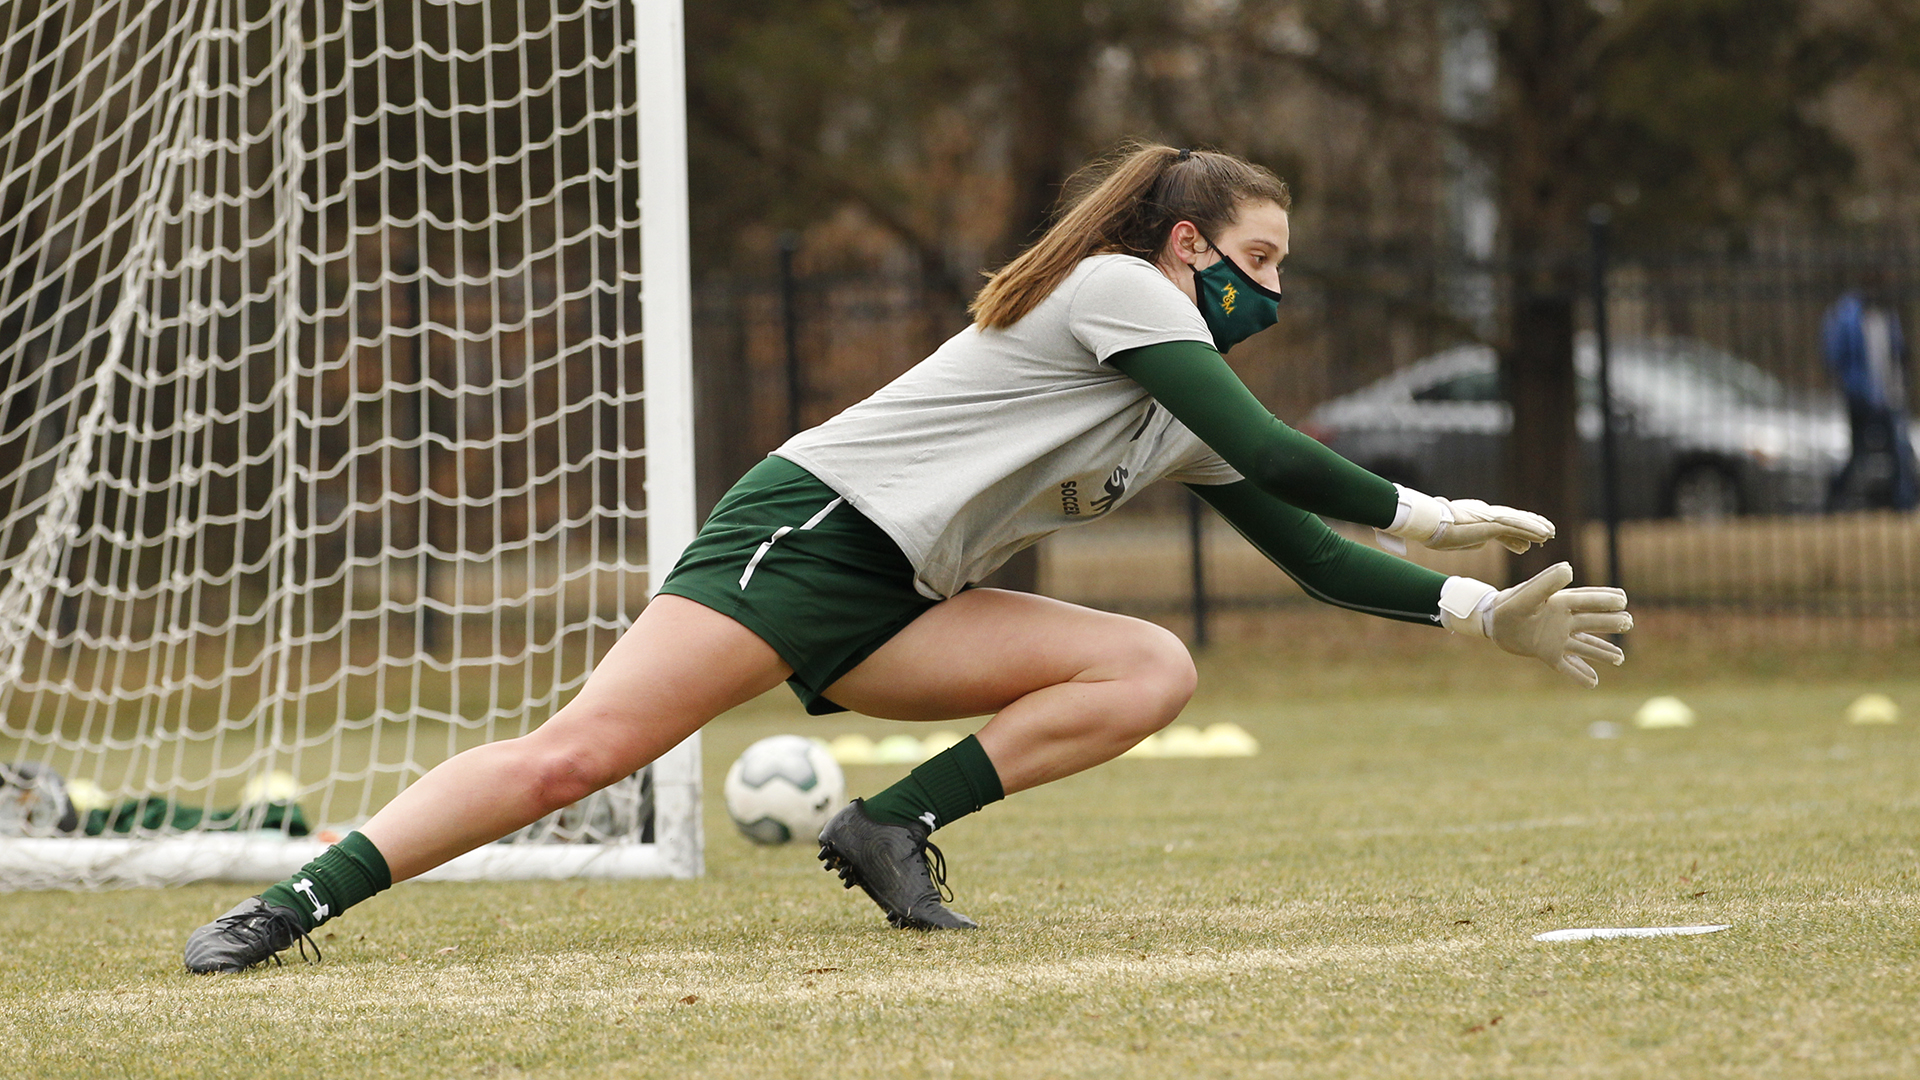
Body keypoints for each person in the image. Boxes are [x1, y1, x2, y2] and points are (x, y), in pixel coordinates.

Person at [183, 143, 1632, 970]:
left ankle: (886, 828)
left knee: (1148, 665)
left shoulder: (1171, 376)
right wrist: (1429, 516)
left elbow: (1303, 552)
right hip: (807, 535)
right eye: (1263, 256)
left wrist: (1470, 615)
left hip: (902, 594)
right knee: (579, 759)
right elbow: (1287, 462)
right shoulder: (1122, 287)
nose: (1279, 282)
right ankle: (294, 902)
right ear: (1189, 245)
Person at [1823, 282, 1917, 511]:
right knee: (1859, 453)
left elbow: (1899, 353)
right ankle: (1836, 495)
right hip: (1860, 397)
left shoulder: (1887, 318)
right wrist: (1849, 386)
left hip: (1889, 396)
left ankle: (1904, 501)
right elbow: (1836, 356)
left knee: (1900, 448)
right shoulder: (1847, 317)